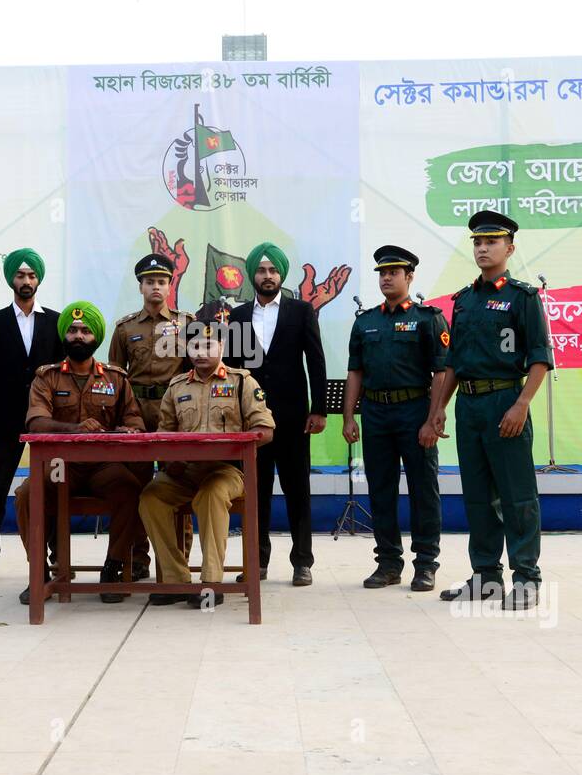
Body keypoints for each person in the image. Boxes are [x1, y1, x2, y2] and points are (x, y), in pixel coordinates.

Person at [425, 211, 552, 611]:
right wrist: (438, 410)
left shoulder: (523, 297)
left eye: (491, 242)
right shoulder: (462, 301)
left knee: (517, 496)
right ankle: (486, 577)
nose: (483, 248)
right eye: (478, 243)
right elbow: (452, 363)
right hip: (470, 405)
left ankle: (527, 578)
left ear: (509, 248)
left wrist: (521, 404)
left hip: (505, 402)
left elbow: (539, 359)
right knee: (477, 497)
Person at [140, 302, 275, 608]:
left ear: (222, 345)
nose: (201, 352)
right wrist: (169, 460)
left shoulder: (242, 382)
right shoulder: (176, 386)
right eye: (195, 345)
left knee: (211, 495)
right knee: (150, 497)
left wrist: (238, 443)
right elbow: (165, 431)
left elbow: (265, 430)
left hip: (226, 472)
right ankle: (176, 581)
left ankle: (211, 582)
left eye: (208, 344)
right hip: (184, 471)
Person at [12, 302, 146, 604]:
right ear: (64, 336)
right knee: (25, 495)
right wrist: (74, 429)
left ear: (96, 338)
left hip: (103, 466)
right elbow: (35, 421)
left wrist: (130, 430)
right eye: (72, 330)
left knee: (130, 490)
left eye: (85, 331)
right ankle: (39, 572)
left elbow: (134, 420)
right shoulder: (47, 377)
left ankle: (112, 568)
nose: (78, 336)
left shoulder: (116, 378)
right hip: (61, 466)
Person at [343, 245, 450, 592]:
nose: (387, 278)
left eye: (394, 272)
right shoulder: (365, 322)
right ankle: (388, 563)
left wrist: (433, 418)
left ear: (410, 277)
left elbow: (441, 373)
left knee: (423, 489)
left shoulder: (428, 318)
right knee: (381, 490)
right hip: (375, 413)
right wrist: (349, 417)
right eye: (382, 273)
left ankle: (426, 564)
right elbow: (355, 373)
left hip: (414, 411)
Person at [226, 242, 327, 587]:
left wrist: (319, 410)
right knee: (256, 491)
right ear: (252, 274)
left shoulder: (301, 311)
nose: (267, 276)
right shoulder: (238, 316)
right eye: (261, 270)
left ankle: (302, 562)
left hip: (294, 416)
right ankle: (258, 562)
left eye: (273, 270)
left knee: (298, 489)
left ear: (281, 274)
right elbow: (231, 368)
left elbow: (316, 362)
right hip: (250, 419)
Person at [0, 249, 64, 584]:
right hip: (8, 417)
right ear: (11, 278)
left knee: (54, 484)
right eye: (20, 275)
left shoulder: (55, 321)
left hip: (48, 419)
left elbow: (63, 375)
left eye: (31, 276)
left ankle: (55, 556)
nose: (26, 281)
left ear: (39, 279)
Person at [109, 253, 195, 578]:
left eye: (161, 281)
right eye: (149, 282)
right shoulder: (125, 328)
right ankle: (139, 560)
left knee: (177, 486)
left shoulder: (188, 325)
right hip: (136, 418)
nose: (155, 287)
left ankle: (178, 561)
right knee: (137, 488)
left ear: (170, 285)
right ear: (140, 287)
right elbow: (116, 379)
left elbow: (195, 372)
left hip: (174, 416)